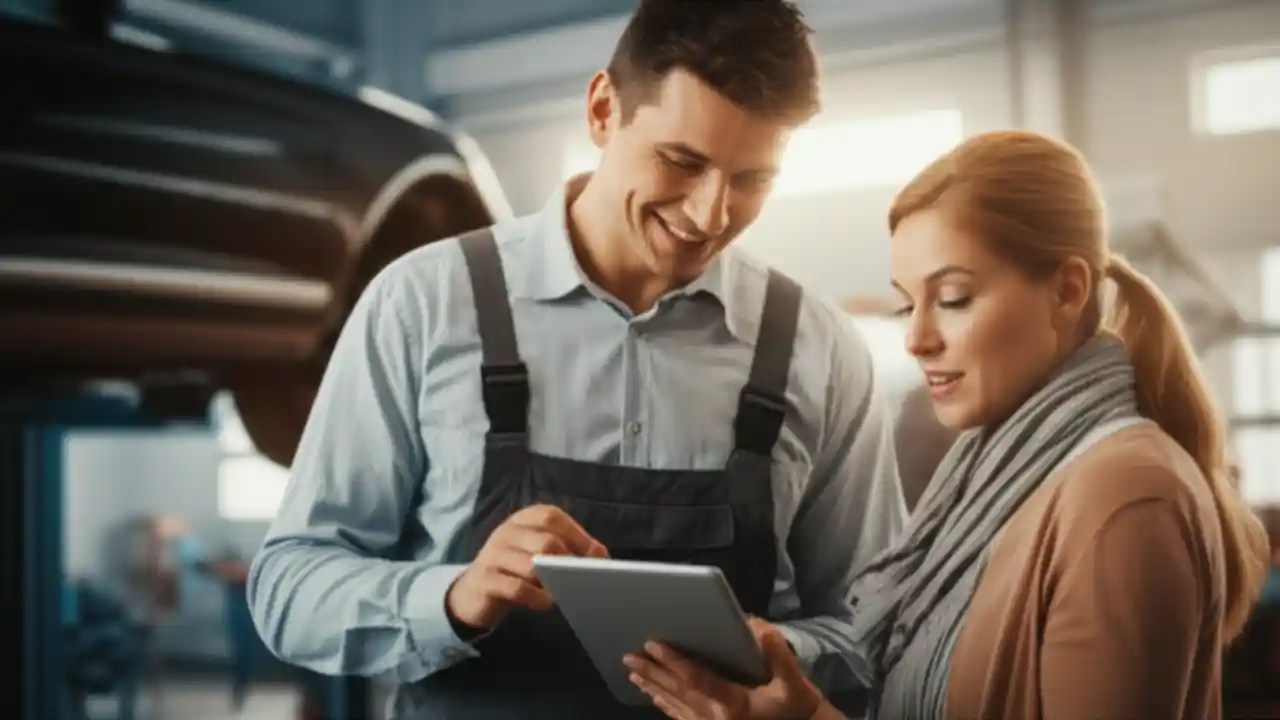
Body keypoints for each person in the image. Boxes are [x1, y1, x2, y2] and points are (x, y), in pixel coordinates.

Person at [244, 1, 907, 718]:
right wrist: (451, 597)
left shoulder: (821, 348)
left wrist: (778, 657)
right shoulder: (423, 305)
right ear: (601, 110)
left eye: (753, 181)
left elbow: (879, 626)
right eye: (682, 162)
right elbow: (289, 589)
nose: (710, 214)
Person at [625, 129, 1272, 719]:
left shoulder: (1122, 498)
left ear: (1068, 290)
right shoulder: (999, 483)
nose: (917, 338)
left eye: (955, 298)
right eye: (909, 304)